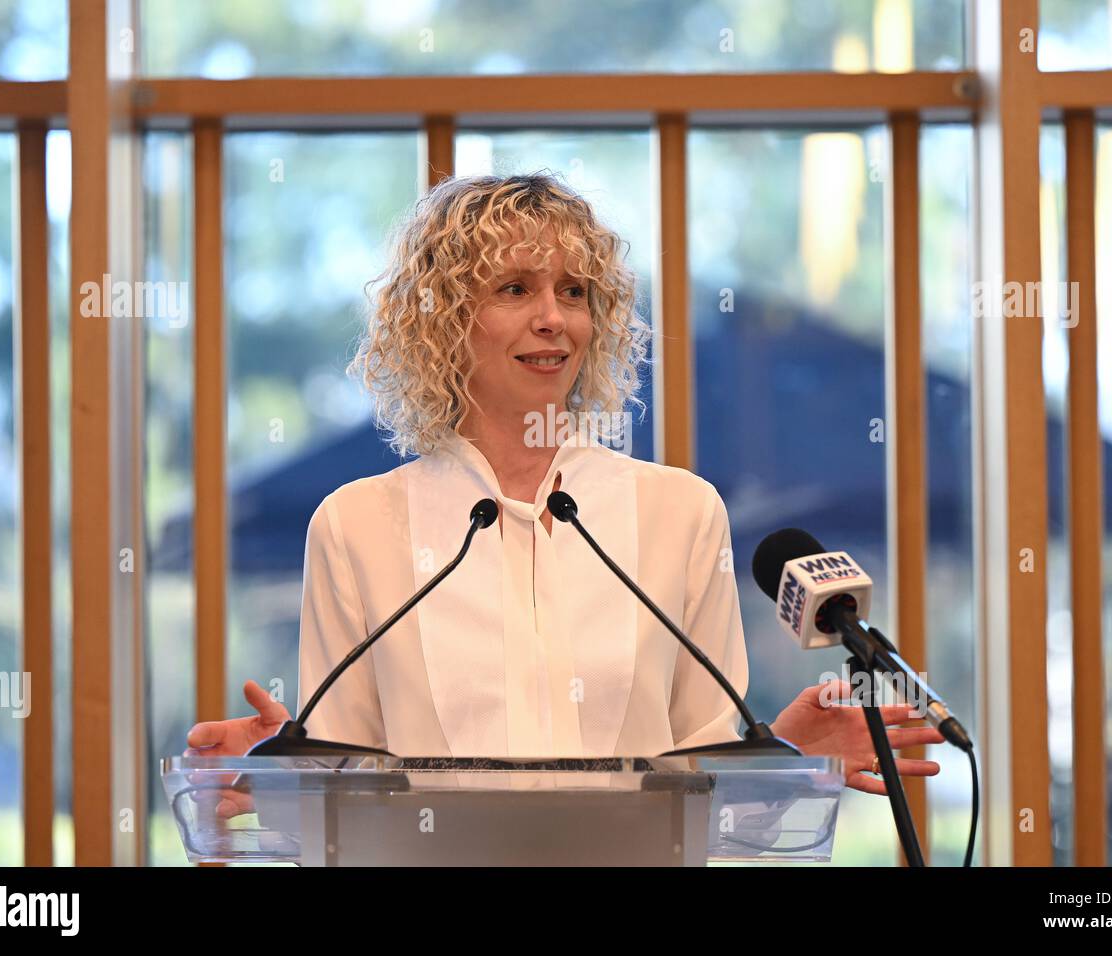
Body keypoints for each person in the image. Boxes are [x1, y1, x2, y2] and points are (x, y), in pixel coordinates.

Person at [186, 172, 941, 816]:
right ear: (443, 323)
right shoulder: (355, 524)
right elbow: (347, 783)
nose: (554, 317)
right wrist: (286, 770)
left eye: (574, 291)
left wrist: (783, 757)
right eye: (514, 288)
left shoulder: (682, 513)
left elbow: (700, 787)